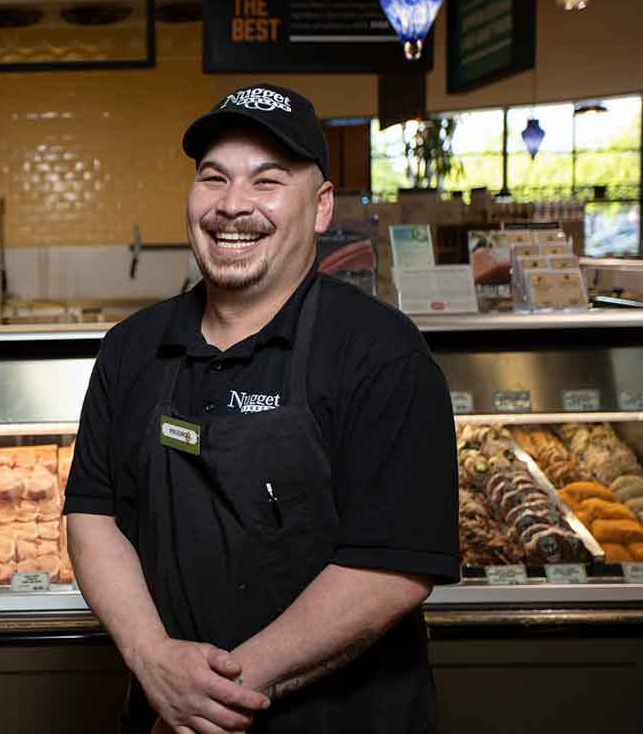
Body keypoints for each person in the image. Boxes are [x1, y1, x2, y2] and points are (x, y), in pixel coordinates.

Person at [63, 84, 460, 734]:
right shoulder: (131, 349)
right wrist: (153, 659)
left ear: (321, 206)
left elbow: (390, 568)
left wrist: (209, 700)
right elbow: (93, 517)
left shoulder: (381, 355)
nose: (232, 205)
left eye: (267, 181)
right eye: (213, 177)